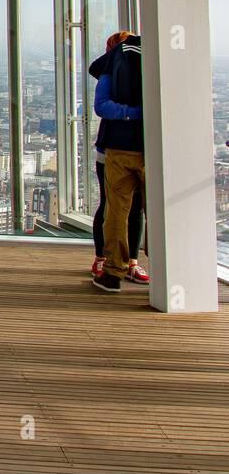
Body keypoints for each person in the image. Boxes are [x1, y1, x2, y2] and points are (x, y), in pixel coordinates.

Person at [88, 31, 148, 284]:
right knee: (136, 210)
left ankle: (114, 268)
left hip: (115, 147)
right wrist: (140, 113)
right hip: (144, 147)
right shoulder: (149, 63)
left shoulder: (112, 65)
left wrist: (129, 114)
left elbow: (101, 105)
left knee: (115, 210)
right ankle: (125, 263)